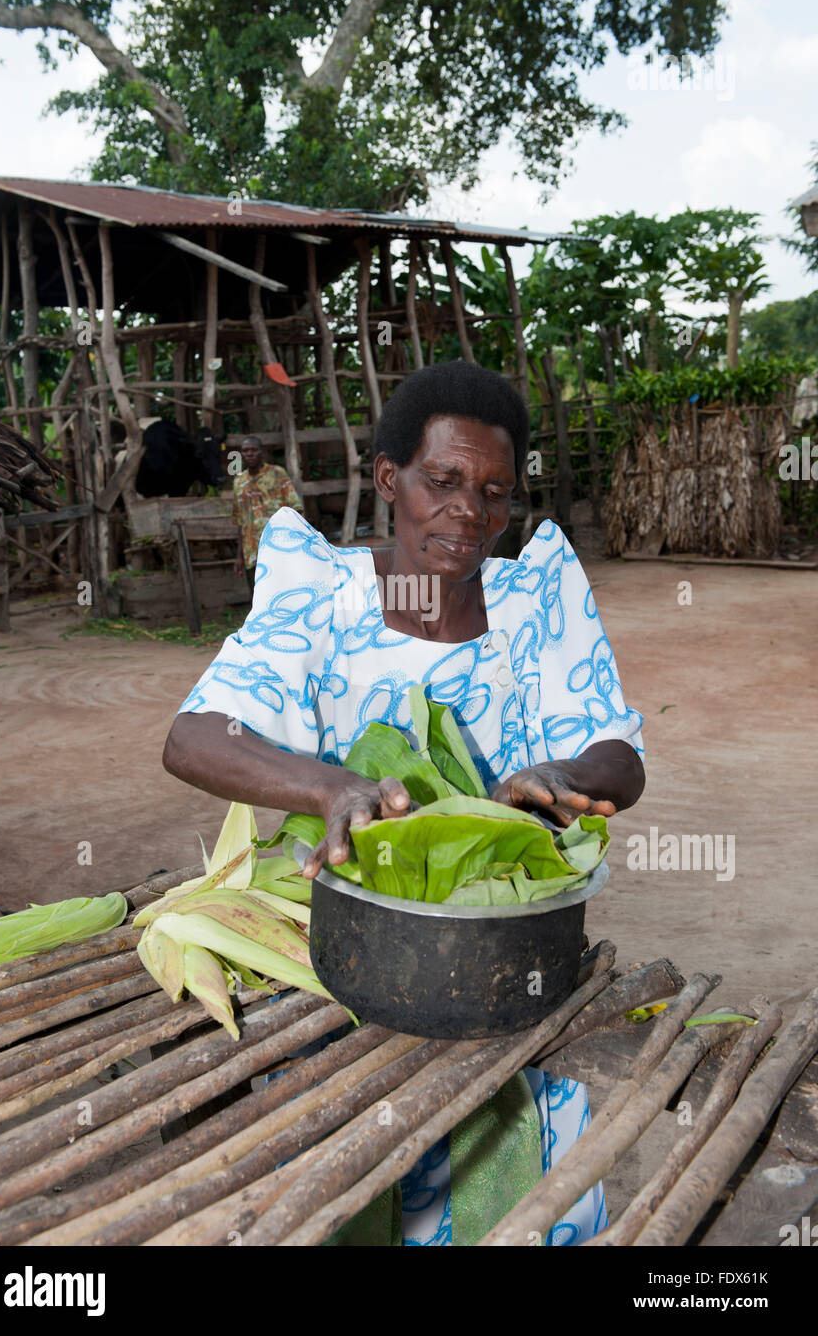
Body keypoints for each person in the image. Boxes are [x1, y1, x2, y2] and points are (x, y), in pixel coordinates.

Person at [164, 360, 645, 1246]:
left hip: (509, 966)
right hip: (349, 962)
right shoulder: (322, 593)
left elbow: (619, 754)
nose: (471, 512)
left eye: (496, 491)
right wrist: (330, 785)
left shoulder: (534, 599)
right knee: (336, 1203)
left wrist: (562, 770)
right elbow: (195, 738)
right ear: (390, 479)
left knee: (532, 1208)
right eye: (445, 481)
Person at [231, 435, 303, 592]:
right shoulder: (238, 482)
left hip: (279, 550)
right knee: (258, 599)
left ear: (262, 452)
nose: (249, 454)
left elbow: (296, 510)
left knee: (284, 594)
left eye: (253, 450)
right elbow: (239, 521)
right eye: (245, 451)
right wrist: (239, 557)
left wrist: (296, 546)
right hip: (252, 555)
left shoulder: (277, 474)